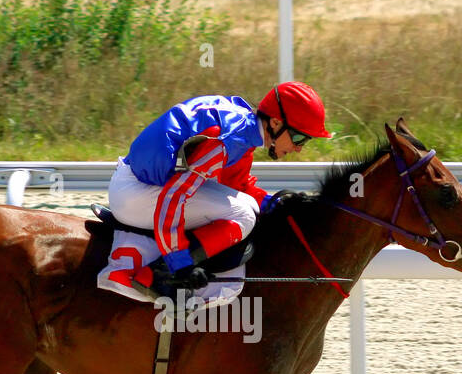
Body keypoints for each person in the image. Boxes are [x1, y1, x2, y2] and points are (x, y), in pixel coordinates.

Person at [105, 81, 332, 299]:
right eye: (299, 138)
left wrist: (276, 203)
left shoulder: (244, 130)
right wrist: (179, 262)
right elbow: (174, 196)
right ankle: (161, 273)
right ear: (275, 122)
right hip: (136, 194)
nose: (299, 148)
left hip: (138, 181)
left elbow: (237, 187)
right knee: (243, 214)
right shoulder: (226, 140)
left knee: (248, 206)